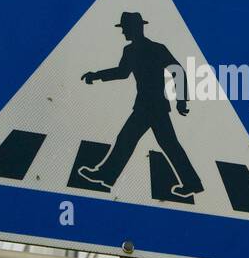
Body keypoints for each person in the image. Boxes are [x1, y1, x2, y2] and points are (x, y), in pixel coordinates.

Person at [77, 11, 203, 199]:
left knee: (133, 140)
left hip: (154, 106)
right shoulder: (130, 51)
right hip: (147, 105)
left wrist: (182, 100)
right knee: (152, 142)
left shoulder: (157, 49)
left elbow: (178, 71)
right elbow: (122, 72)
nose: (123, 33)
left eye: (125, 28)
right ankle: (192, 183)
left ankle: (106, 174)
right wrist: (96, 75)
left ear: (136, 28)